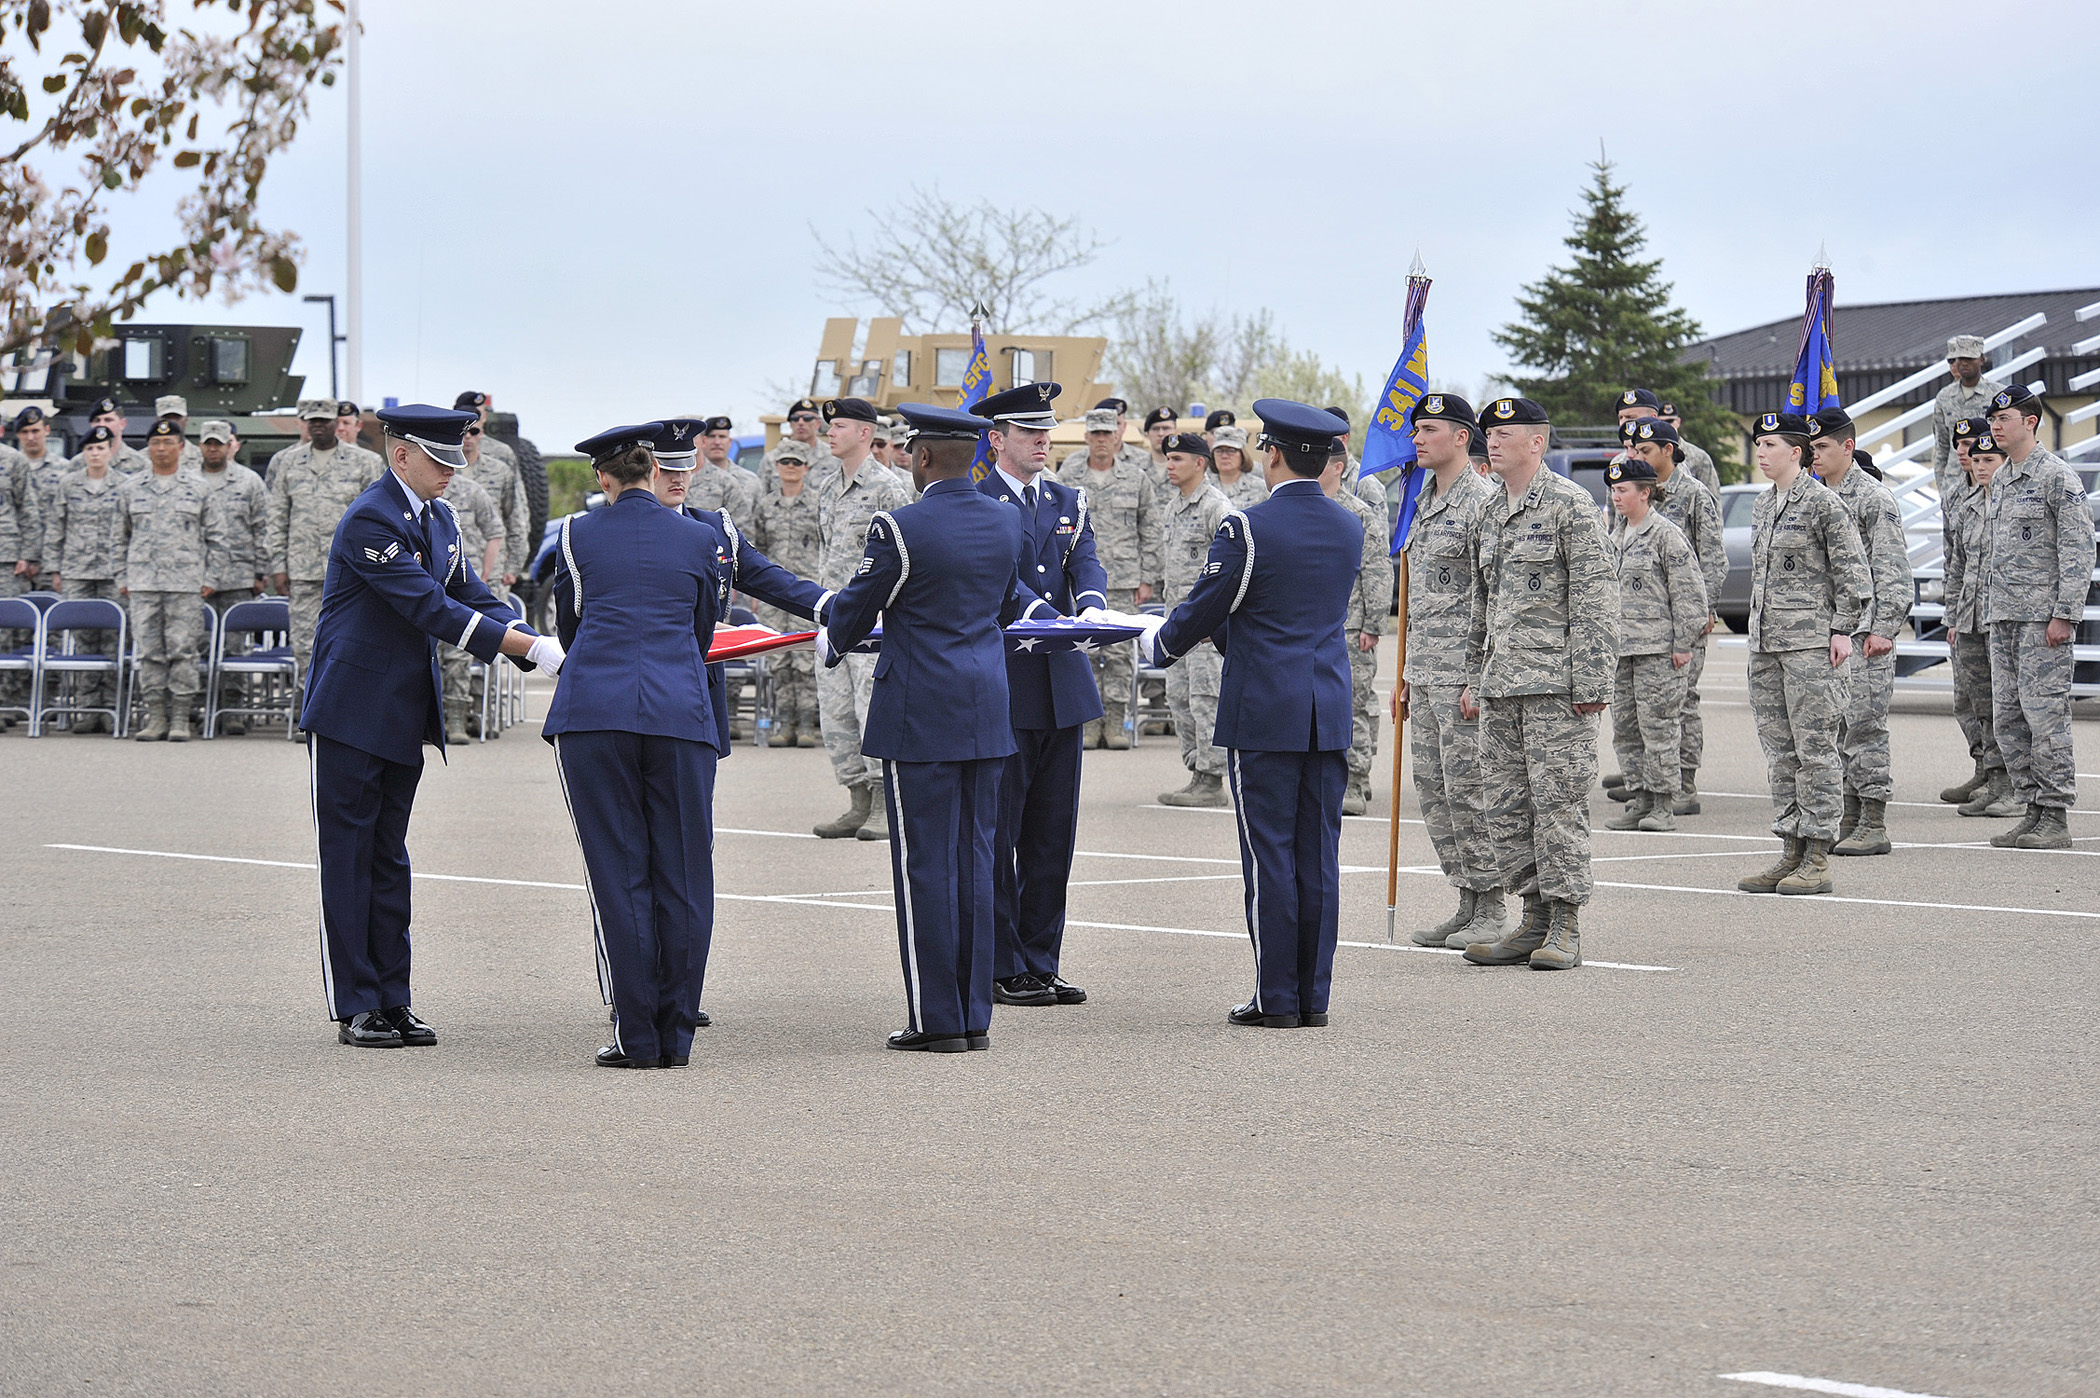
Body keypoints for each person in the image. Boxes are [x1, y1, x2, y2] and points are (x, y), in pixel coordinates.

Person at [303, 405, 558, 1050]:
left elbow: (469, 590)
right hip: (352, 706)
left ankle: (393, 997)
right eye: (439, 462)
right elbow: (427, 604)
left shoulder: (439, 518)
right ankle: (356, 1002)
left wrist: (532, 634)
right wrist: (521, 651)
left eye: (456, 461)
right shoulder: (372, 518)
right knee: (350, 857)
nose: (451, 473)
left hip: (401, 708)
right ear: (401, 456)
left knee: (389, 857)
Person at [1136, 399, 1361, 1026]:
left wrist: (1156, 642)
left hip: (1266, 704)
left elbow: (1209, 604)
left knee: (1269, 854)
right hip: (1326, 704)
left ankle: (1276, 997)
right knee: (1318, 855)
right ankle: (1312, 997)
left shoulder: (1246, 528)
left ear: (1277, 455)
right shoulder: (1349, 526)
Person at [822, 401, 1032, 1052]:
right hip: (984, 705)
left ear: (921, 458)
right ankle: (972, 1016)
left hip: (921, 712)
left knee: (926, 868)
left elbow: (855, 612)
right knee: (974, 861)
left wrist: (834, 630)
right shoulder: (1005, 521)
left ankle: (936, 1018)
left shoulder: (899, 527)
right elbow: (1001, 607)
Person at [543, 423, 726, 1069]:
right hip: (680, 711)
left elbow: (571, 623)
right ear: (653, 473)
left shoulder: (574, 533)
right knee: (684, 878)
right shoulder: (703, 537)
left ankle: (635, 1034)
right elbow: (703, 627)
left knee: (620, 877)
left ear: (604, 477)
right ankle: (676, 1039)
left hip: (596, 712)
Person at [1459, 397, 1617, 971]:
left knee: (1558, 805)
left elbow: (1596, 601)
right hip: (1501, 686)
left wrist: (1592, 680)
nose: (1493, 441)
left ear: (1538, 442)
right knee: (1506, 807)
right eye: (1488, 433)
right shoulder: (1488, 511)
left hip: (1557, 687)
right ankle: (1532, 919)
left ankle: (1566, 923)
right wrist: (1475, 676)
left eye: (1506, 433)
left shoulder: (1571, 506)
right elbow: (1482, 603)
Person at [977, 381, 1106, 1008]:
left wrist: (1093, 602)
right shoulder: (980, 502)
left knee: (1053, 833)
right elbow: (998, 582)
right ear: (996, 439)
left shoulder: (1067, 498)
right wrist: (1036, 611)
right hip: (1007, 684)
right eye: (1028, 432)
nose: (1041, 441)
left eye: (1046, 431)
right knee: (1002, 831)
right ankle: (1003, 963)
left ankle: (1042, 957)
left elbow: (1085, 559)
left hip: (1062, 685)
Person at [1734, 412, 1871, 896]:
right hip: (1767, 646)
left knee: (1816, 752)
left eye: (1771, 444)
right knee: (1781, 753)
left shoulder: (1823, 505)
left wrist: (1842, 630)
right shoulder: (1763, 505)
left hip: (1812, 647)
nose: (1761, 452)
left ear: (1797, 451)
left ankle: (1817, 854)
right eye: (1758, 444)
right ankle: (1790, 848)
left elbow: (1854, 574)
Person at [1394, 394, 1504, 949]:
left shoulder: (1483, 502)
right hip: (1427, 670)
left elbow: (1493, 597)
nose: (1417, 437)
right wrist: (1408, 672)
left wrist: (1478, 678)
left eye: (1429, 429)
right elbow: (1418, 597)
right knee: (1435, 792)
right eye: (1416, 429)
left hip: (1463, 675)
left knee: (1471, 790)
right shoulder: (1425, 500)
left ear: (1462, 437)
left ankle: (1492, 904)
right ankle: (1465, 898)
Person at [1979, 385, 2093, 851]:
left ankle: (2055, 815)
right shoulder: (2002, 478)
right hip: (2004, 617)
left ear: (2031, 421)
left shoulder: (2056, 477)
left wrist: (2065, 614)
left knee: (2046, 717)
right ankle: (2030, 808)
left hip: (2042, 620)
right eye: (1993, 418)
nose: (1996, 425)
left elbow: (2079, 549)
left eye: (2004, 417)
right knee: (2008, 717)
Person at [1808, 408, 1914, 856]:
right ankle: (1849, 813)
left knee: (1865, 728)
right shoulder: (1815, 497)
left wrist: (1884, 629)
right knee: (1836, 730)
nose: (1813, 455)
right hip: (1830, 633)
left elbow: (1893, 572)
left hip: (1866, 634)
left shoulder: (1872, 499)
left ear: (1847, 447)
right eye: (1810, 448)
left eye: (1821, 447)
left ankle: (1873, 819)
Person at [1610, 419, 1726, 814]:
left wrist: (1701, 614)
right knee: (1635, 718)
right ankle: (1646, 790)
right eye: (1634, 450)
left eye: (1644, 451)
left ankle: (1681, 783)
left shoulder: (1694, 494)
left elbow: (1710, 557)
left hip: (1679, 622)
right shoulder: (1631, 497)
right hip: (1634, 630)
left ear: (1669, 450)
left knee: (1678, 705)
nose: (1636, 455)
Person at [810, 397, 910, 839]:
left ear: (866, 434)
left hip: (874, 624)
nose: (830, 432)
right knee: (837, 713)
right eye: (830, 427)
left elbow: (905, 558)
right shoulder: (828, 488)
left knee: (872, 710)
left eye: (841, 426)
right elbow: (826, 553)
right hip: (834, 619)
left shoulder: (889, 489)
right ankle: (858, 799)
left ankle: (886, 805)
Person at [1601, 456, 1708, 834]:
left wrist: (1683, 644)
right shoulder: (1614, 538)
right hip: (1622, 651)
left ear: (1645, 493)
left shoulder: (1666, 535)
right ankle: (1640, 798)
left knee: (1659, 729)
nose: (1616, 497)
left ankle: (1663, 804)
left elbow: (1690, 595)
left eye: (1623, 490)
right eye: (1613, 490)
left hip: (1659, 651)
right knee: (1627, 730)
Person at [266, 398, 385, 717]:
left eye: (325, 420)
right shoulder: (287, 463)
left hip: (352, 571)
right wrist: (278, 566)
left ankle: (349, 711)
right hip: (302, 570)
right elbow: (277, 517)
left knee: (351, 640)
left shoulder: (366, 463)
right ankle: (311, 710)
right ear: (304, 423)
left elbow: (378, 517)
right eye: (312, 421)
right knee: (306, 644)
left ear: (338, 422)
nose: (319, 426)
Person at [1056, 404, 1160, 749]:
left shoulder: (1136, 478)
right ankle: (1089, 723)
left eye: (1108, 434)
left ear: (1118, 437)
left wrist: (1147, 577)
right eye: (1096, 434)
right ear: (1086, 436)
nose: (1102, 440)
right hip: (1077, 580)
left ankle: (1115, 723)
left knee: (1117, 654)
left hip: (1122, 577)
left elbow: (1151, 528)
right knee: (1081, 651)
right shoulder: (1068, 474)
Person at [116, 420, 225, 741]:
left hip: (186, 584)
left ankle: (179, 718)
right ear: (148, 448)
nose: (161, 449)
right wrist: (122, 576)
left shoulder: (198, 487)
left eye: (168, 443)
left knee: (182, 650)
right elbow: (118, 538)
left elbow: (217, 538)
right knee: (149, 651)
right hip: (143, 583)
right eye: (155, 444)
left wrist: (211, 577)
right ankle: (156, 717)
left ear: (180, 447)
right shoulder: (130, 488)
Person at [1940, 430, 2019, 817]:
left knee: (2009, 707)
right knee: (1982, 705)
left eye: (1991, 460)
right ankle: (1995, 780)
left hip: (2003, 618)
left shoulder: (2013, 503)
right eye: (1978, 459)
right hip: (1970, 620)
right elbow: (1958, 565)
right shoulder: (1970, 504)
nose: (1981, 465)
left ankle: (2020, 787)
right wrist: (1953, 616)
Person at [1155, 432, 1232, 807]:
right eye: (1167, 459)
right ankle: (1196, 770)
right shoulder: (1173, 507)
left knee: (1206, 698)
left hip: (1203, 629)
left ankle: (1212, 779)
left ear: (1200, 463)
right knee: (1179, 696)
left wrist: (1216, 621)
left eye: (1177, 460)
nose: (1169, 466)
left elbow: (1235, 567)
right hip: (1177, 623)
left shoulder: (1216, 507)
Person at [1320, 437, 1393, 817]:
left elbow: (1379, 570)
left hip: (1352, 627)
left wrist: (1374, 623)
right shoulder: (1311, 510)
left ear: (1338, 466)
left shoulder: (1358, 513)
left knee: (1351, 706)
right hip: (1317, 625)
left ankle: (1355, 780)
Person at [45, 425, 127, 728]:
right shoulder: (69, 484)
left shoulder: (125, 485)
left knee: (113, 640)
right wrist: (55, 569)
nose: (95, 453)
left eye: (101, 448)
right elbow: (57, 528)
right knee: (83, 640)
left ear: (110, 451)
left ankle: (111, 708)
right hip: (77, 571)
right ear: (83, 452)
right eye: (90, 449)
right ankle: (89, 708)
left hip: (112, 571)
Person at [748, 440, 823, 746]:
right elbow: (759, 548)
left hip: (807, 590)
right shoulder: (765, 506)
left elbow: (826, 544)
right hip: (773, 593)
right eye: (785, 462)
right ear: (776, 467)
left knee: (805, 658)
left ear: (806, 467)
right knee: (778, 659)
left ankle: (805, 726)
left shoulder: (819, 503)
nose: (790, 467)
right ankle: (784, 725)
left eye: (796, 462)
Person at [195, 421, 268, 733]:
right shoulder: (188, 479)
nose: (213, 449)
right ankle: (200, 707)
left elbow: (262, 528)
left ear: (229, 446)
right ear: (200, 446)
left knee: (234, 647)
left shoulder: (249, 481)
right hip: (195, 576)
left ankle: (233, 709)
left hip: (238, 575)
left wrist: (260, 570)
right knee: (197, 644)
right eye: (208, 443)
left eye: (219, 444)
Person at [435, 467, 505, 744]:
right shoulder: (414, 494)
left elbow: (494, 533)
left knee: (458, 656)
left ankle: (456, 719)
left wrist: (484, 575)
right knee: (428, 655)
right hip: (426, 587)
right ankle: (431, 719)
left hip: (460, 585)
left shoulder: (472, 490)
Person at [1930, 336, 2003, 554]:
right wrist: (1943, 486)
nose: (1962, 364)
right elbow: (1942, 446)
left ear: (1981, 359)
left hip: (1990, 480)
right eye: (1957, 359)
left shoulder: (1997, 394)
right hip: (1956, 482)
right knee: (1954, 549)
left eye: (1968, 358)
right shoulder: (1944, 397)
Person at [460, 415, 530, 596]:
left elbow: (515, 519)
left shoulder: (499, 472)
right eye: (463, 432)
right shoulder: (443, 472)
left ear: (481, 434)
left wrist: (514, 566)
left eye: (473, 431)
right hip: (453, 568)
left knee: (495, 621)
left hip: (492, 571)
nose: (468, 436)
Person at [690, 414, 759, 534]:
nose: (717, 442)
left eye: (722, 437)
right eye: (712, 436)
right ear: (704, 441)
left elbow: (754, 526)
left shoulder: (750, 480)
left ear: (730, 441)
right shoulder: (686, 478)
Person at [762, 397, 836, 494]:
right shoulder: (772, 459)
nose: (801, 423)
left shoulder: (834, 457)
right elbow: (762, 496)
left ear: (818, 423)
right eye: (795, 418)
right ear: (790, 424)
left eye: (807, 418)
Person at [1654, 398, 1723, 497]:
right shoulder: (1651, 454)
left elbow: (1712, 495)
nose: (1667, 426)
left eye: (1670, 421)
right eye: (1662, 422)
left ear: (1678, 421)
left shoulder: (1699, 457)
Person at [75, 397, 149, 475]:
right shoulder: (78, 463)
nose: (102, 425)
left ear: (122, 424)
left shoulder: (140, 464)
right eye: (97, 420)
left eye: (108, 420)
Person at [1210, 425, 1268, 509]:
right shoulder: (1206, 488)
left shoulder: (1260, 488)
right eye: (1219, 451)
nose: (1224, 456)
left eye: (1231, 450)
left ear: (1242, 455)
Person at [1140, 406, 1177, 492]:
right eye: (1155, 429)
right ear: (1147, 434)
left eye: (1166, 428)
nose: (1161, 433)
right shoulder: (1134, 468)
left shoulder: (1185, 468)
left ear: (1175, 431)